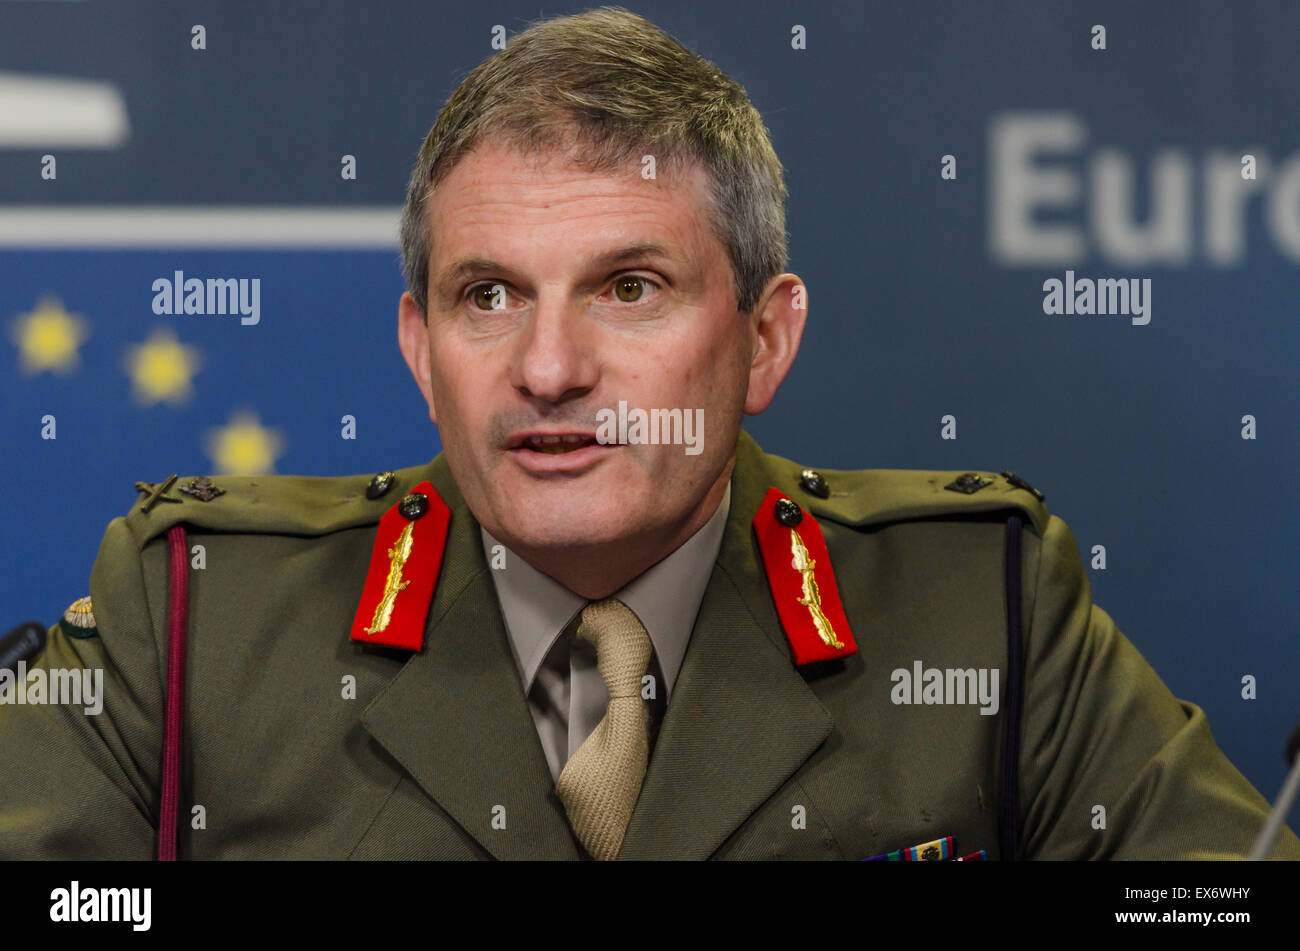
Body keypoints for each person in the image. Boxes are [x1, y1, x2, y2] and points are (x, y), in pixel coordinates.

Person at [1, 6, 1295, 861]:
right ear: (417, 350)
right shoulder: (193, 614)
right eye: (487, 296)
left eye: (629, 289)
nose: (550, 369)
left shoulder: (985, 606)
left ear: (767, 339)